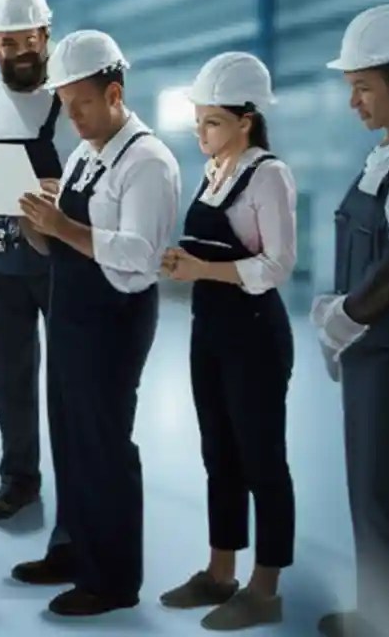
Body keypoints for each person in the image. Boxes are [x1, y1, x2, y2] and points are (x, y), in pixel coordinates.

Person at [18, 30, 181, 616]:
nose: (73, 116)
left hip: (114, 319)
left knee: (105, 446)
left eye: (82, 102)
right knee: (69, 438)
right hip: (72, 315)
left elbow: (139, 253)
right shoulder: (88, 154)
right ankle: (72, 549)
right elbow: (60, 242)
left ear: (114, 93)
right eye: (64, 105)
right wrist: (34, 214)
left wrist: (60, 227)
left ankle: (112, 580)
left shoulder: (148, 162)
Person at [159, 52, 297, 631]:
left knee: (262, 461)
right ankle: (220, 573)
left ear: (247, 119)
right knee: (219, 457)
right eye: (198, 121)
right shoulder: (214, 170)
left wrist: (202, 271)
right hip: (210, 332)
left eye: (212, 122)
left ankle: (265, 589)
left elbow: (277, 265)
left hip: (255, 337)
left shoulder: (268, 174)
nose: (201, 133)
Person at [0, 0, 75, 525]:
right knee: (9, 375)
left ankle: (78, 482)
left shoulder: (73, 98)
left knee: (72, 379)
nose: (18, 54)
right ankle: (19, 480)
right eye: (6, 44)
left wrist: (58, 191)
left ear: (45, 36)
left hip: (64, 256)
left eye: (27, 42)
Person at [309, 3, 389, 637]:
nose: (354, 103)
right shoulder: (388, 155)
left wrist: (346, 316)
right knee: (372, 493)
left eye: (364, 88)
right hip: (371, 355)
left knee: (384, 499)